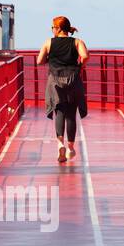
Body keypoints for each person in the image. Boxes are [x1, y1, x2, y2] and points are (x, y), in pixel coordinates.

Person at [37, 16, 89, 163]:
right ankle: (71, 148)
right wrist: (79, 66)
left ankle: (60, 145)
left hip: (55, 81)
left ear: (58, 28)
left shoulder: (49, 42)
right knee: (71, 114)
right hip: (73, 80)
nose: (52, 29)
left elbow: (39, 61)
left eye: (53, 27)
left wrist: (49, 59)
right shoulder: (77, 42)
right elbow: (85, 56)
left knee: (59, 111)